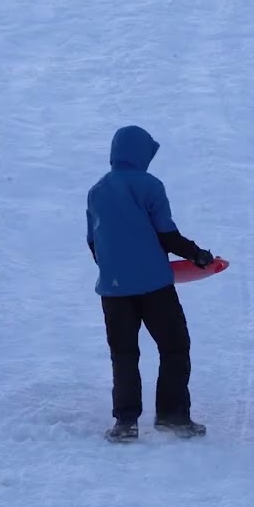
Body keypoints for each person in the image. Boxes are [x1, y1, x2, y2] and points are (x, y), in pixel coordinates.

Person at [86, 125, 215, 442]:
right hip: (154, 286)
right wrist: (197, 255)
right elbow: (166, 234)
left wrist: (116, 268)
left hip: (114, 289)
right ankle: (172, 416)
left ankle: (125, 423)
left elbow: (93, 242)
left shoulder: (97, 191)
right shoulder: (150, 185)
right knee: (174, 347)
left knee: (124, 354)